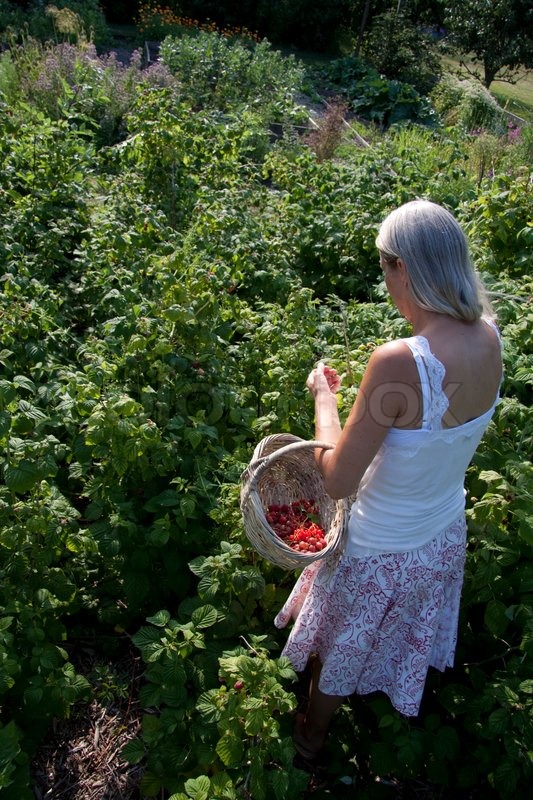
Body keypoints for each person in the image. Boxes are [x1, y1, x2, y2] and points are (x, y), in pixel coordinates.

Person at [274, 199, 503, 765]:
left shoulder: (400, 362)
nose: (387, 286)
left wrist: (324, 399)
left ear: (405, 268)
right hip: (441, 532)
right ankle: (380, 699)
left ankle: (309, 737)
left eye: (385, 270)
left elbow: (336, 482)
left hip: (380, 546)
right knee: (395, 629)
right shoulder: (490, 338)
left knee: (342, 648)